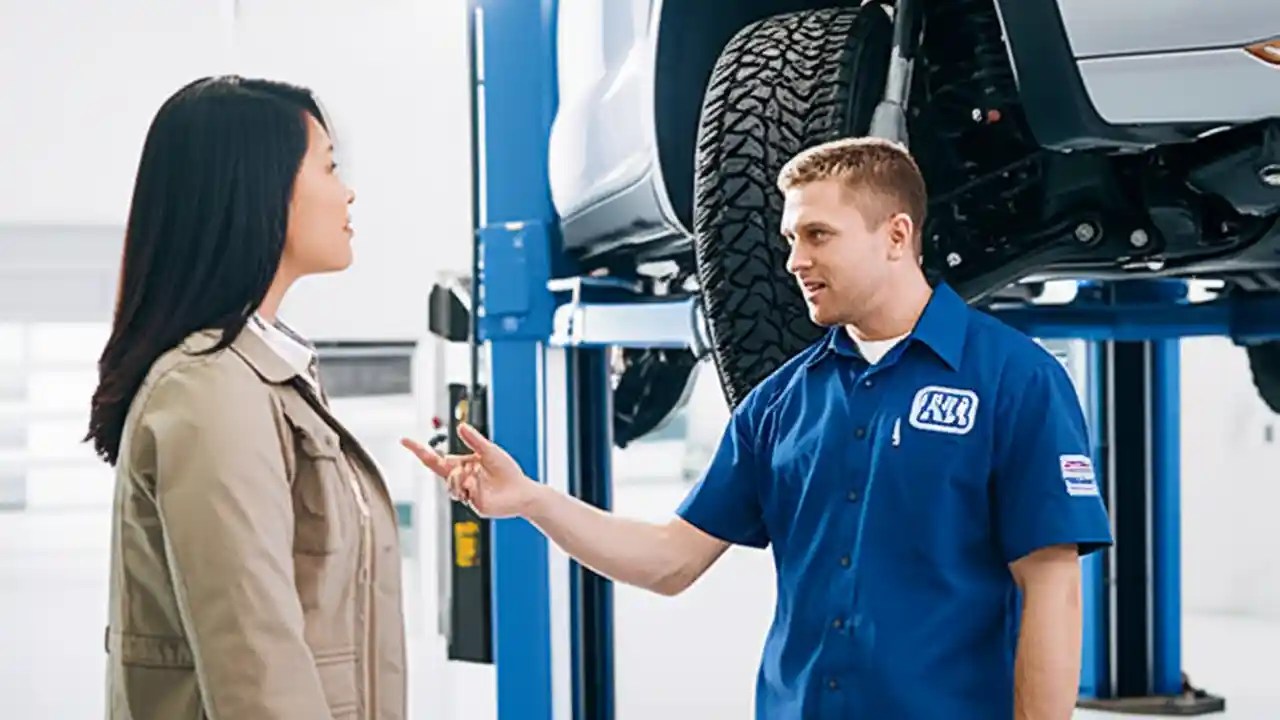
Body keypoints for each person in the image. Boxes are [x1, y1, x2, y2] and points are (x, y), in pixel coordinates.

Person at [403, 136, 1114, 718]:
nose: (795, 260)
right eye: (790, 238)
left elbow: (1051, 589)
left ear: (897, 236)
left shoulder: (1014, 380)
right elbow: (669, 560)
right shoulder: (780, 403)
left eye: (818, 235)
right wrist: (533, 501)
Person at [87, 76, 406, 720]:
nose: (347, 191)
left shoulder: (255, 374)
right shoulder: (212, 393)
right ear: (261, 189)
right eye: (328, 166)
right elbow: (256, 669)